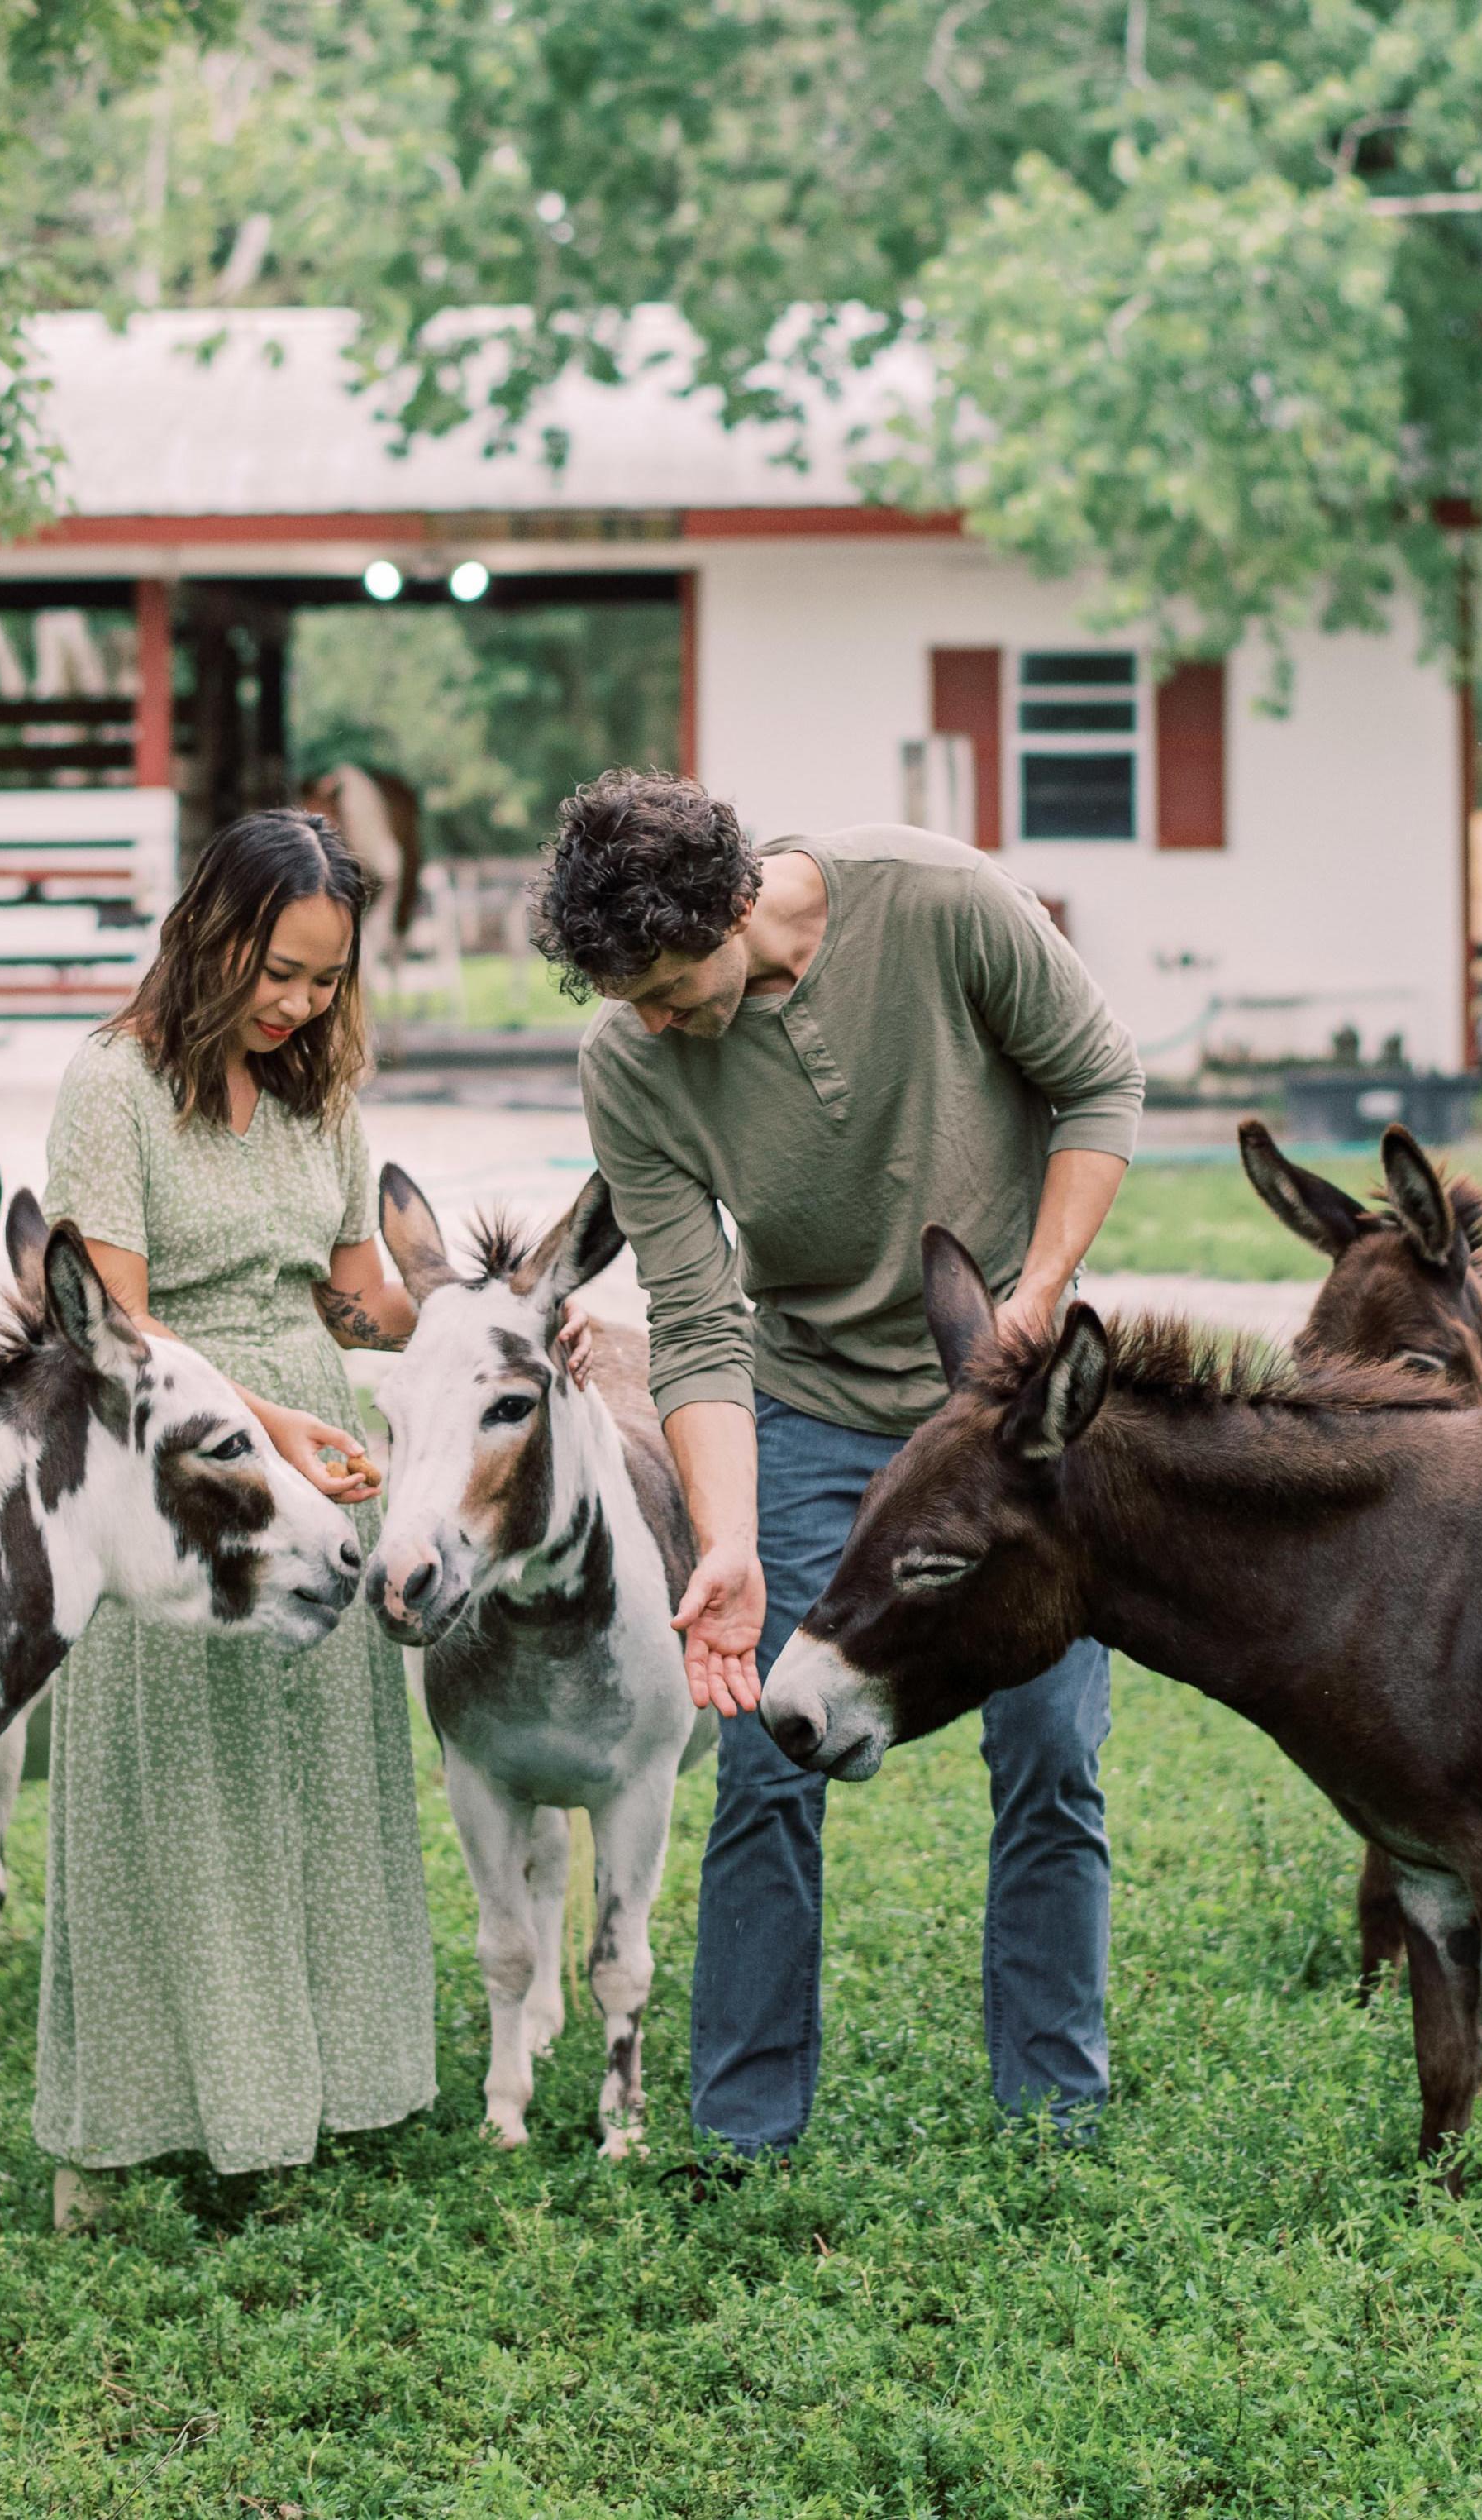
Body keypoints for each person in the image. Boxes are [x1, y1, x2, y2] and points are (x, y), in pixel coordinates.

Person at [533, 768, 1142, 2158]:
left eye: (677, 985)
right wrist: (729, 1540)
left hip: (995, 1401)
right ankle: (746, 2132)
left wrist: (1039, 1291)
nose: (660, 1023)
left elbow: (1098, 1080)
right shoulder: (629, 1065)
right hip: (806, 1400)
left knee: (1048, 1749)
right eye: (628, 999)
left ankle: (1054, 2118)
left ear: (737, 902)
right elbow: (692, 1320)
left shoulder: (937, 902)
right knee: (766, 1750)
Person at [32, 808, 436, 2230]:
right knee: (176, 1790)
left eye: (325, 980)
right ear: (210, 931)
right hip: (181, 1462)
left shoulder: (319, 1092)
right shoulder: (114, 1087)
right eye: (279, 971)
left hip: (315, 1450)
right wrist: (260, 1426)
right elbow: (117, 1328)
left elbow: (345, 1294)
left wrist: (455, 1326)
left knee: (310, 1786)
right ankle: (136, 2124)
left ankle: (302, 2100)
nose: (298, 1005)